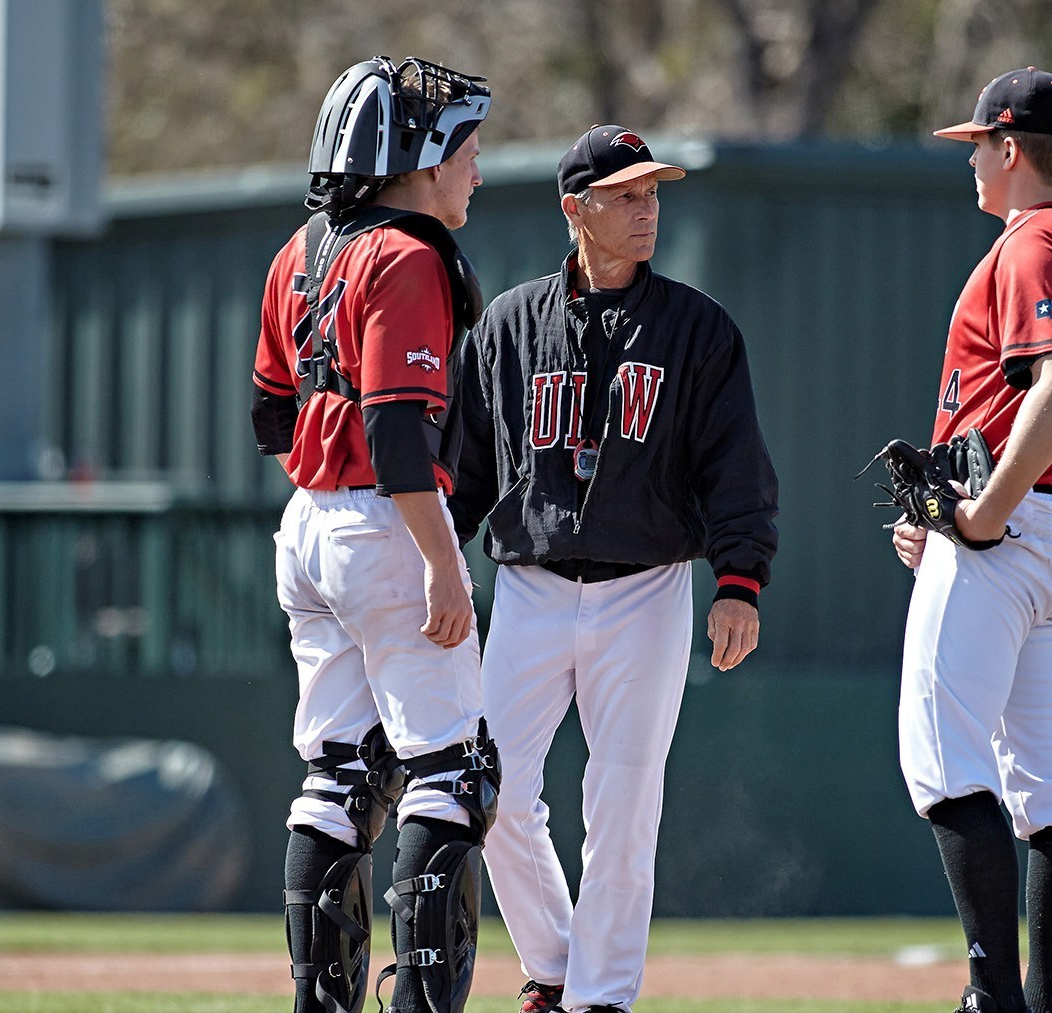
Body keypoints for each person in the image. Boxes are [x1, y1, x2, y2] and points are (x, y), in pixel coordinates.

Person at [448, 126, 779, 1013]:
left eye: (653, 193)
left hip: (648, 585)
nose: (648, 209)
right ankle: (557, 965)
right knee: (490, 791)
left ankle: (598, 998)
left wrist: (739, 581)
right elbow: (467, 471)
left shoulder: (699, 329)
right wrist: (429, 564)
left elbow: (735, 467)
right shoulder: (512, 323)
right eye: (626, 195)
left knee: (624, 807)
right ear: (576, 210)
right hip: (531, 584)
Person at [249, 56, 499, 1013]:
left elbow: (274, 418)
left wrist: (330, 492)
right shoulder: (407, 256)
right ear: (421, 158)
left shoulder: (301, 250)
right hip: (382, 518)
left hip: (308, 520)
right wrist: (440, 562)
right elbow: (400, 432)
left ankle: (322, 1002)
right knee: (453, 770)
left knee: (339, 771)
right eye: (466, 152)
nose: (475, 171)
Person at [894, 68, 1052, 1013]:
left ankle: (994, 997)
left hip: (1013, 534)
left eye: (979, 144)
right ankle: (1035, 1005)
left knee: (944, 760)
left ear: (1012, 146)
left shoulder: (1033, 242)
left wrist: (979, 514)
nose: (973, 162)